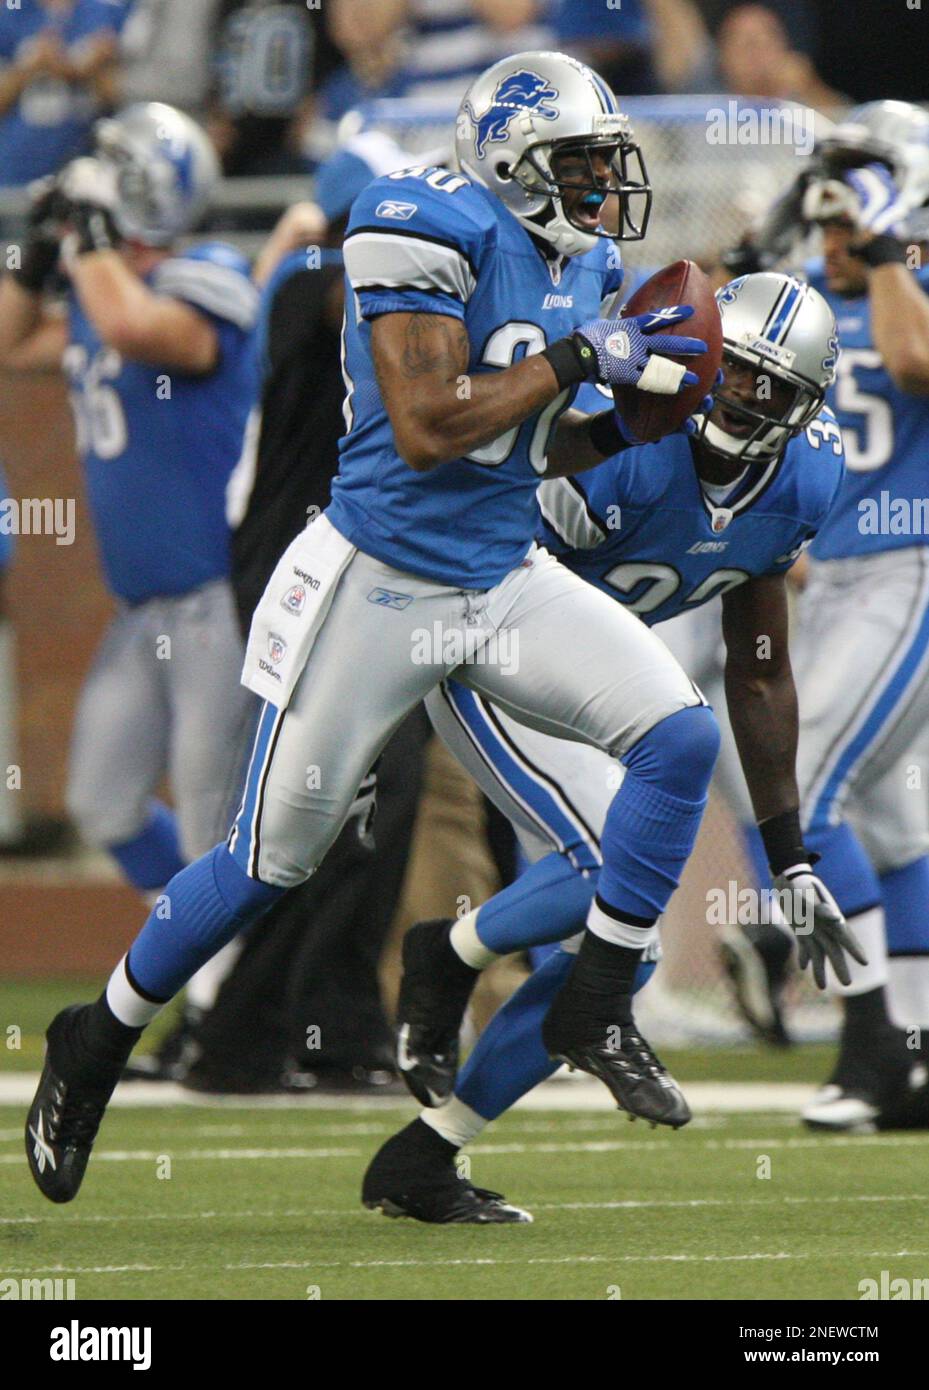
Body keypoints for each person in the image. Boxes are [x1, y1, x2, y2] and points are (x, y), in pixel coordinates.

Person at [25, 48, 729, 1213]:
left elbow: (532, 447)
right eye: (580, 163)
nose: (604, 187)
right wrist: (572, 357)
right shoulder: (411, 222)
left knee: (679, 739)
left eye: (607, 163)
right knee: (269, 862)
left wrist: (629, 418)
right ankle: (93, 1037)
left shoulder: (585, 258)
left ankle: (594, 1000)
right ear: (510, 159)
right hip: (379, 583)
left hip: (502, 577)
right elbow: (425, 426)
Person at [363, 271, 861, 1222]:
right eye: (736, 374)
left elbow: (757, 668)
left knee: (621, 950)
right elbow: (479, 561)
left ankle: (426, 1156)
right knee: (610, 879)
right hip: (492, 652)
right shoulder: (621, 438)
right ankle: (452, 953)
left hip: (603, 695)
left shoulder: (803, 478)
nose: (745, 400)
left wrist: (789, 857)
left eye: (772, 390)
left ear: (804, 407)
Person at [0, 103, 260, 998]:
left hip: (216, 598)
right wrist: (39, 257)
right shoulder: (101, 289)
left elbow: (146, 333)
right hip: (139, 606)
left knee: (207, 823)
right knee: (103, 801)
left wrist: (93, 239)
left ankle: (218, 1004)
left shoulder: (209, 274)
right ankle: (204, 959)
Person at [727, 102, 929, 1132]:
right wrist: (752, 252)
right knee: (895, 823)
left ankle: (869, 1046)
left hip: (912, 570)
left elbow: (910, 366)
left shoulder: (910, 288)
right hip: (844, 577)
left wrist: (889, 240)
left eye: (857, 212)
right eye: (832, 215)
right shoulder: (820, 287)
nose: (836, 234)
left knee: (806, 782)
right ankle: (917, 1049)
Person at [0, 0, 129, 187]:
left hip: (85, 168)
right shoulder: (14, 10)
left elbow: (124, 99)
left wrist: (87, 70)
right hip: (18, 167)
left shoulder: (107, 11)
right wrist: (29, 67)